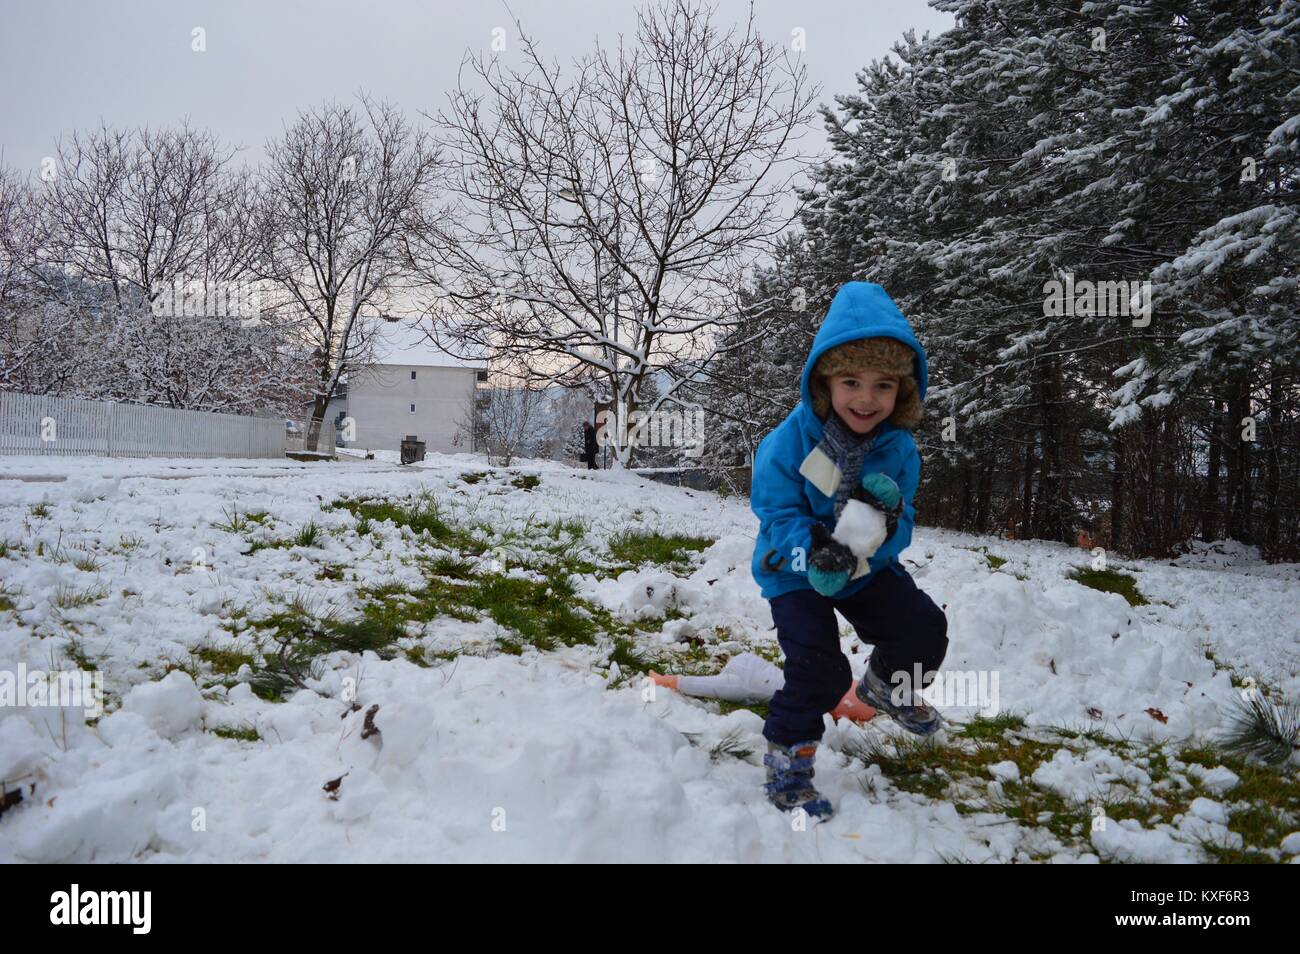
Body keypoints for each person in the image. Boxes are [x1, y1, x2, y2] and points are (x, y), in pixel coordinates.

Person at [749, 281, 949, 820]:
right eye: (851, 382)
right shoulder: (792, 440)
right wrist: (814, 548)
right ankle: (787, 758)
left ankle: (887, 687)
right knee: (820, 671)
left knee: (924, 629)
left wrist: (883, 529)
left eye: (884, 385)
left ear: (903, 390)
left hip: (863, 565)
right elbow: (775, 511)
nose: (866, 399)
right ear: (825, 382)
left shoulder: (898, 448)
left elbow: (904, 520)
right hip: (794, 568)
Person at [647, 654, 877, 722]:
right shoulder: (822, 700)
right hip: (754, 682)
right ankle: (665, 680)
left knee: (712, 685)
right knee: (709, 685)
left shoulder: (830, 684)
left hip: (755, 666)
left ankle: (666, 680)